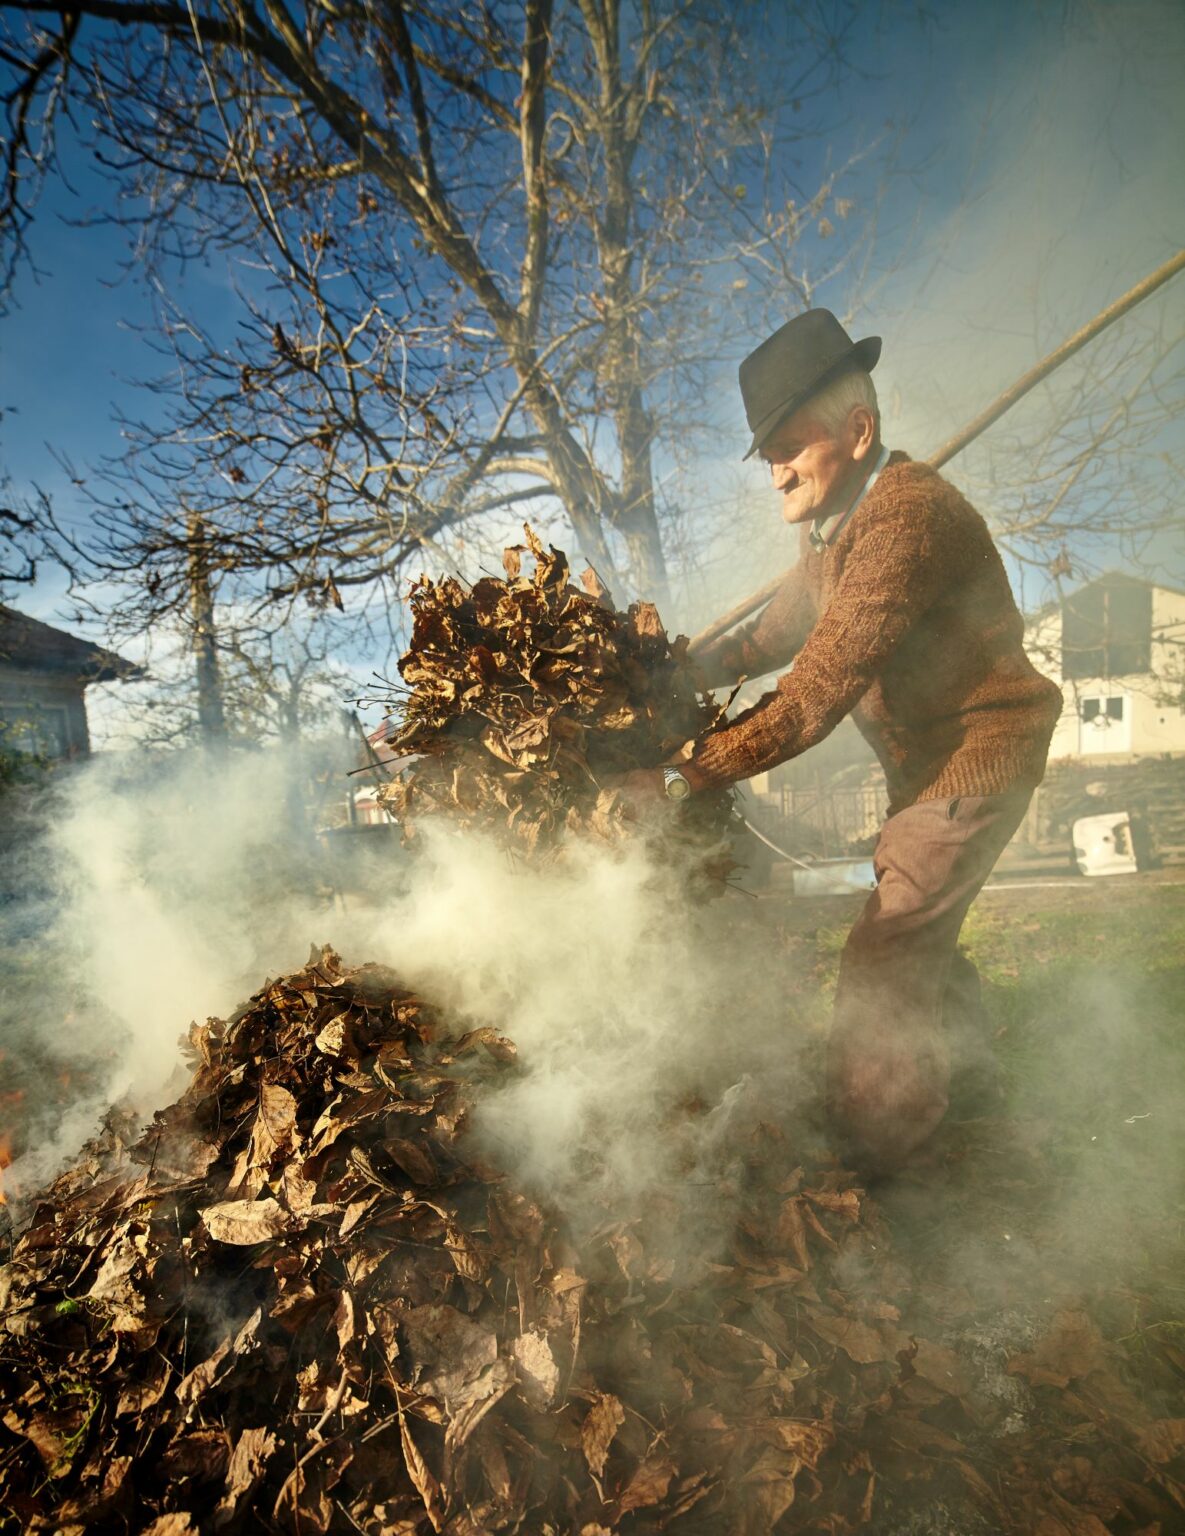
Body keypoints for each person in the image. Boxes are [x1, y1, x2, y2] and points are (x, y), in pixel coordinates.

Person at [618, 309, 1063, 1173]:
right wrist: (666, 674)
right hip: (924, 770)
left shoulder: (905, 519)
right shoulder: (831, 537)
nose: (776, 473)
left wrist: (677, 780)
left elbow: (813, 693)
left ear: (857, 432)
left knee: (885, 953)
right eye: (768, 456)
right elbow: (768, 636)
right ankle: (968, 1101)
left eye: (791, 447)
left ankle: (880, 1159)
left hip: (974, 760)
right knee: (921, 935)